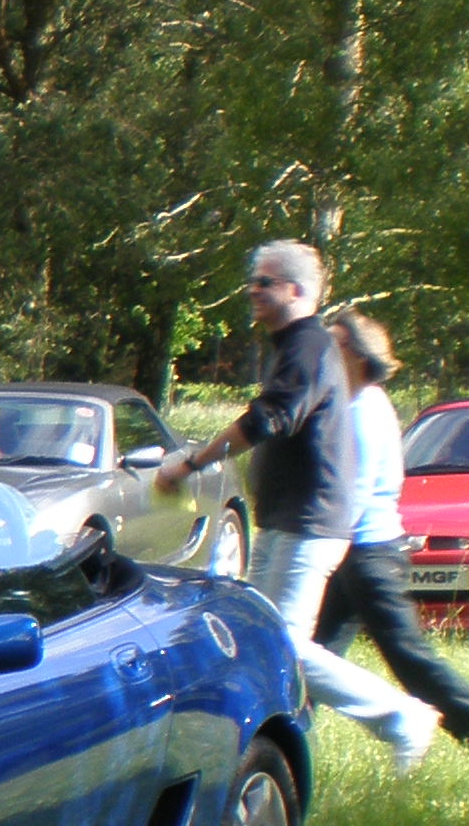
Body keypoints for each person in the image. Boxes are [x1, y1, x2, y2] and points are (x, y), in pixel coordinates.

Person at [155, 239, 438, 771]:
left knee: (281, 644)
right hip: (288, 521)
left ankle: (401, 716)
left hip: (309, 524)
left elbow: (269, 418)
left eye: (265, 282)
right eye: (253, 280)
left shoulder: (308, 346)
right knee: (259, 638)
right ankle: (256, 740)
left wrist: (192, 463)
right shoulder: (296, 346)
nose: (253, 290)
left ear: (297, 291)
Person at [315, 309, 469, 753]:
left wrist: (321, 545)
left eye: (334, 341)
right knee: (314, 654)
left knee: (407, 654)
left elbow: (357, 490)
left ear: (355, 352)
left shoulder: (365, 409)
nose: (324, 348)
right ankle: (286, 736)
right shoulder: (348, 402)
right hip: (353, 551)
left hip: (369, 554)